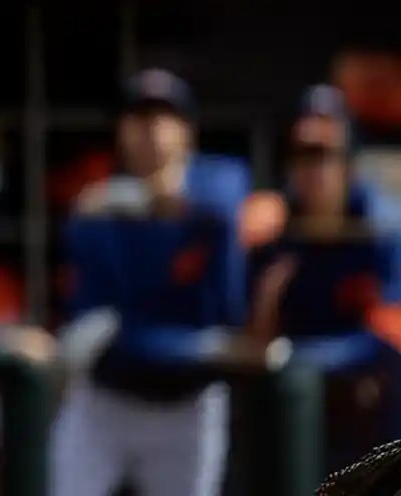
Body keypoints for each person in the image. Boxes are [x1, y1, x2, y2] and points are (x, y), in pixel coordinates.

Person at [49, 68, 250, 496]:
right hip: (107, 404)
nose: (153, 131)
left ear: (188, 131)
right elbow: (106, 327)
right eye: (140, 118)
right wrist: (205, 347)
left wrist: (147, 199)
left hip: (188, 408)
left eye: (165, 117)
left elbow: (228, 201)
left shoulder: (219, 184)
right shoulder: (97, 213)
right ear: (122, 131)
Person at [249, 84, 401, 473]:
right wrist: (266, 301)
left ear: (348, 163)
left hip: (372, 399)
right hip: (299, 403)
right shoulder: (274, 229)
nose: (313, 169)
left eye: (324, 155)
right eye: (302, 155)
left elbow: (391, 332)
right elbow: (252, 340)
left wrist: (305, 358)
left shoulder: (380, 227)